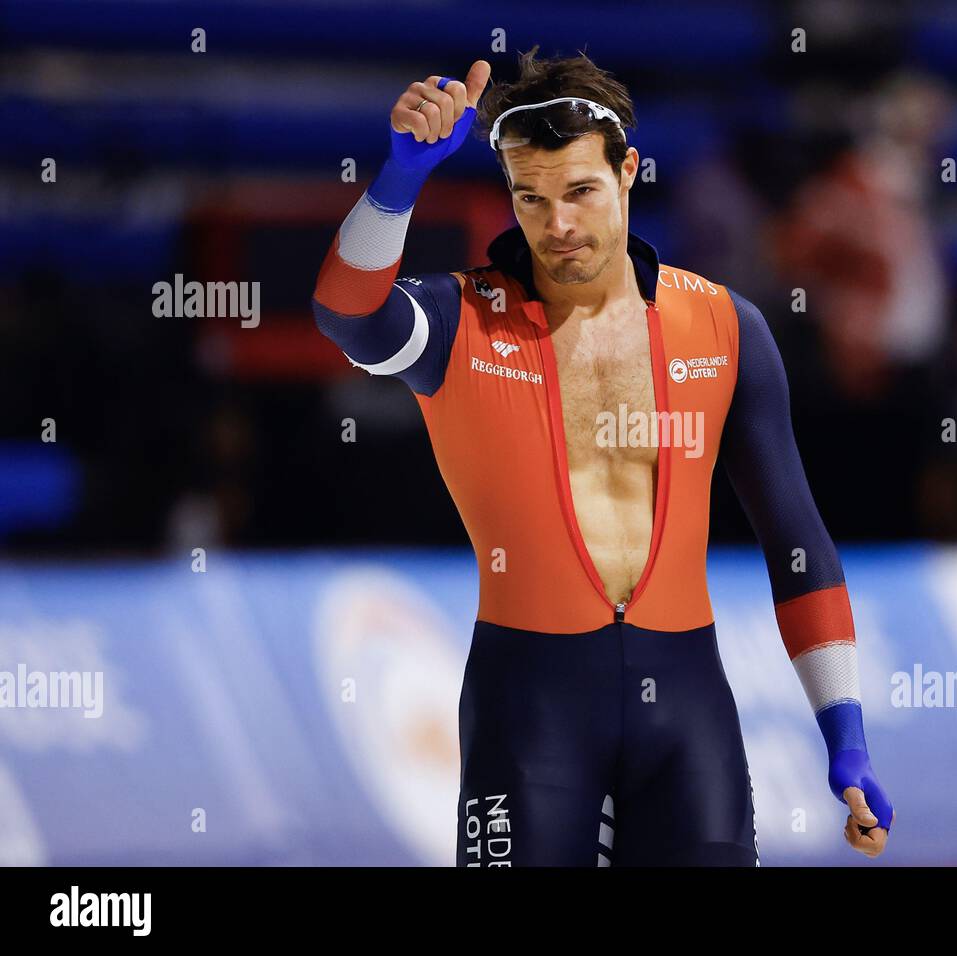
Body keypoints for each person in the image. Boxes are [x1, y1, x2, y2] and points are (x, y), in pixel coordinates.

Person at [311, 48, 893, 866]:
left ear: (629, 173)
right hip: (530, 712)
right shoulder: (460, 322)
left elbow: (797, 543)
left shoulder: (725, 328)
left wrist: (847, 736)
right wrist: (401, 176)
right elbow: (345, 314)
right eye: (531, 199)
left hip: (686, 711)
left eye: (580, 191)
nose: (558, 227)